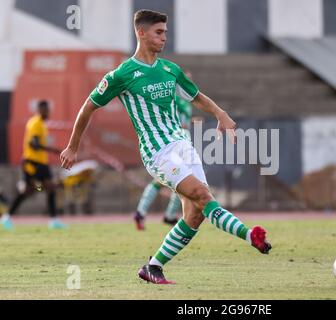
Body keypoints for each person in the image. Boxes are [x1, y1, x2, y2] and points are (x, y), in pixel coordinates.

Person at [60, 9, 272, 285]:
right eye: (159, 32)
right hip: (157, 153)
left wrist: (221, 115)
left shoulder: (170, 69)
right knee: (201, 195)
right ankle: (250, 235)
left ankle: (153, 267)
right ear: (141, 32)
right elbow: (88, 107)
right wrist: (72, 147)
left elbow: (196, 96)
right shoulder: (121, 75)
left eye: (166, 32)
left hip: (183, 146)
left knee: (195, 214)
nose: (164, 38)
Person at [134, 75, 194, 230]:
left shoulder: (186, 101)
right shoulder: (171, 97)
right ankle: (166, 214)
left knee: (174, 179)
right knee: (181, 178)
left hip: (181, 139)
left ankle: (148, 213)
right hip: (176, 140)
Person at [1, 100, 67, 230]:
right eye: (46, 110)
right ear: (40, 110)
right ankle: (7, 217)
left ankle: (53, 220)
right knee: (35, 190)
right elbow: (33, 144)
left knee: (44, 189)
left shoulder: (41, 123)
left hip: (41, 163)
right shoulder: (36, 123)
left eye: (48, 110)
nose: (48, 112)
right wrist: (53, 150)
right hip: (33, 163)